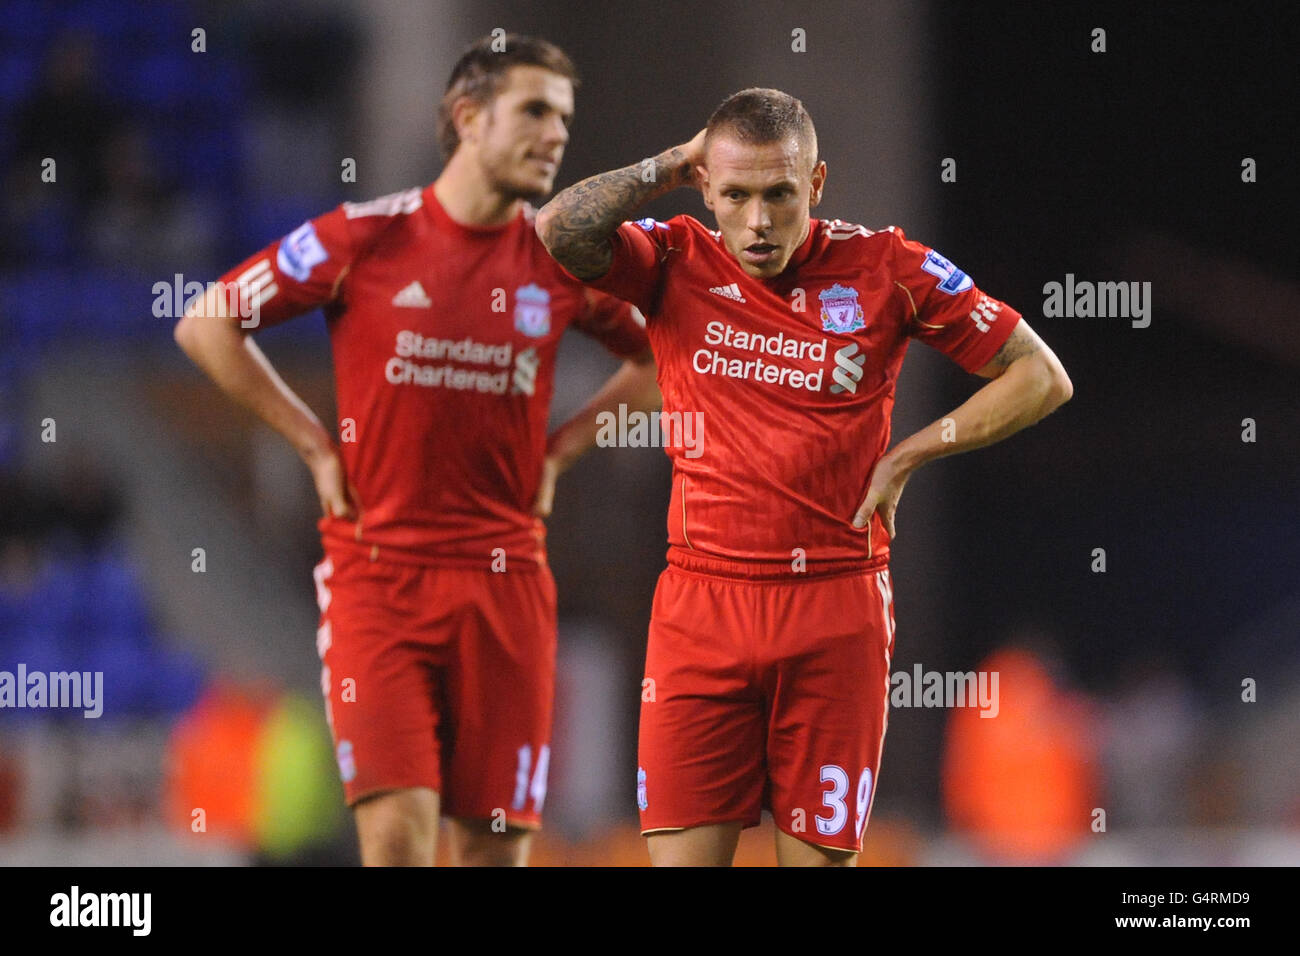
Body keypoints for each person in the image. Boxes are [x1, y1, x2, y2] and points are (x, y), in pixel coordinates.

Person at [536, 87, 1072, 866]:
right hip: (701, 607)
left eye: (779, 194)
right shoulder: (675, 259)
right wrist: (669, 166)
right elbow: (559, 231)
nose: (758, 222)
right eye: (737, 195)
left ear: (815, 185)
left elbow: (1040, 375)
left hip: (835, 610)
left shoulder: (887, 267)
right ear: (707, 188)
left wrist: (913, 452)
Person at [174, 34, 658, 866]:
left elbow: (659, 360)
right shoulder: (364, 239)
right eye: (536, 110)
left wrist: (562, 450)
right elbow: (207, 322)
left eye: (565, 119)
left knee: (490, 851)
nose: (556, 136)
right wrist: (313, 445)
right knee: (395, 840)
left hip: (508, 587)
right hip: (379, 580)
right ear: (467, 117)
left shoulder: (560, 265)